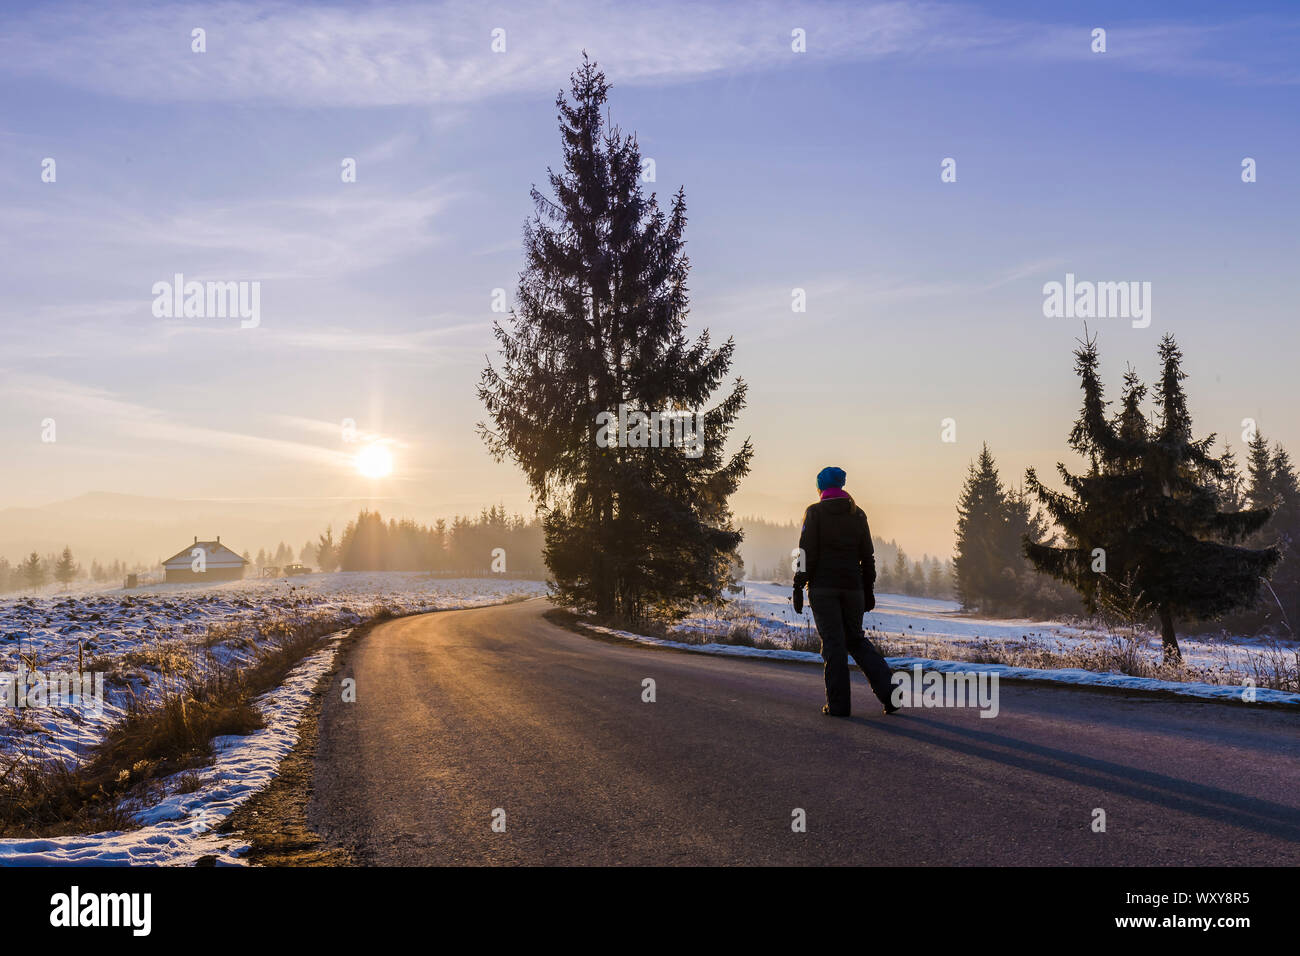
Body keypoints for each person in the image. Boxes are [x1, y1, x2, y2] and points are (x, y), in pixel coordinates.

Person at [794, 466, 899, 717]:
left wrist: (798, 585)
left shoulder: (814, 513)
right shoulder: (858, 514)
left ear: (821, 488)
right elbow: (868, 557)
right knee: (855, 640)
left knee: (834, 645)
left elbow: (805, 553)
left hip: (823, 589)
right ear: (841, 486)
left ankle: (839, 706)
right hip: (853, 589)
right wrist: (868, 589)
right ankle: (891, 693)